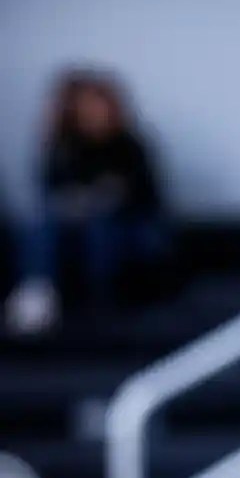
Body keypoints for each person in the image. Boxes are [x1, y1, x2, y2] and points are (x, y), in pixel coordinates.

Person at [6, 69, 166, 335]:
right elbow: (51, 192)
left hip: (126, 226)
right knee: (43, 224)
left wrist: (104, 198)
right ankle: (37, 292)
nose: (93, 111)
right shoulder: (63, 146)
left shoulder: (130, 145)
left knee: (101, 226)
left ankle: (103, 302)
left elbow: (145, 199)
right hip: (72, 227)